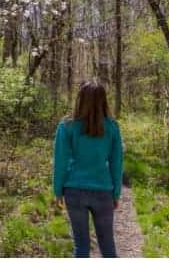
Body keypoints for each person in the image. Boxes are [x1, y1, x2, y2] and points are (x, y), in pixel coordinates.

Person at [53, 80, 123, 258]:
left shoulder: (67, 126)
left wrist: (57, 191)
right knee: (107, 245)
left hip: (74, 191)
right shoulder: (112, 127)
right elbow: (116, 163)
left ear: (80, 99)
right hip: (103, 191)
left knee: (81, 245)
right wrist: (116, 193)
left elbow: (60, 161)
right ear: (104, 101)